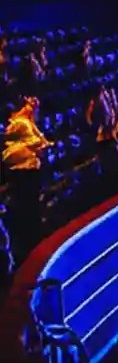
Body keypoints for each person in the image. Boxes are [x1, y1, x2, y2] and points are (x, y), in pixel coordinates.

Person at [3, 97, 51, 257]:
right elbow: (38, 142)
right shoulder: (19, 123)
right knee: (28, 207)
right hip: (23, 171)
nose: (34, 108)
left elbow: (42, 141)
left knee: (34, 205)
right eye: (30, 105)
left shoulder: (28, 122)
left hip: (30, 169)